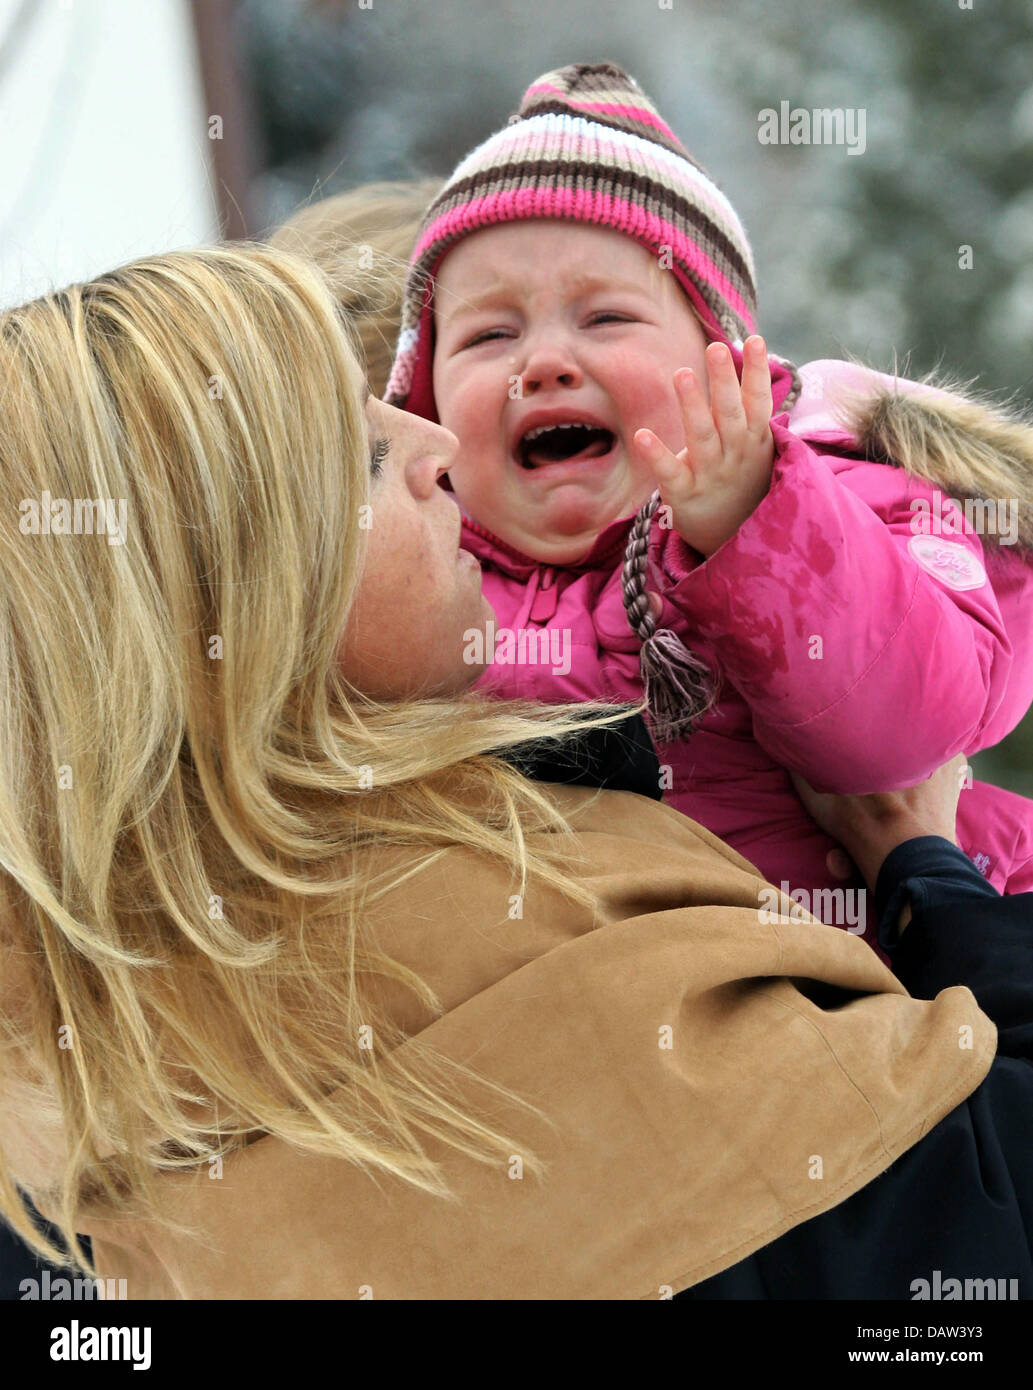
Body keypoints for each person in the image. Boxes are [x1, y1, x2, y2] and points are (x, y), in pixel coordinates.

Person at [0, 243, 1028, 1301]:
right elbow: (979, 1217)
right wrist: (931, 877)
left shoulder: (72, 1088)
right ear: (235, 602)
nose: (437, 442)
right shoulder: (540, 948)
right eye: (356, 453)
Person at [382, 61, 1033, 945]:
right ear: (421, 402)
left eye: (605, 318)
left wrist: (754, 523)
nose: (540, 362)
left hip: (887, 996)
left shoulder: (843, 491)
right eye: (488, 334)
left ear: (723, 357)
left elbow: (899, 737)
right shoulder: (414, 586)